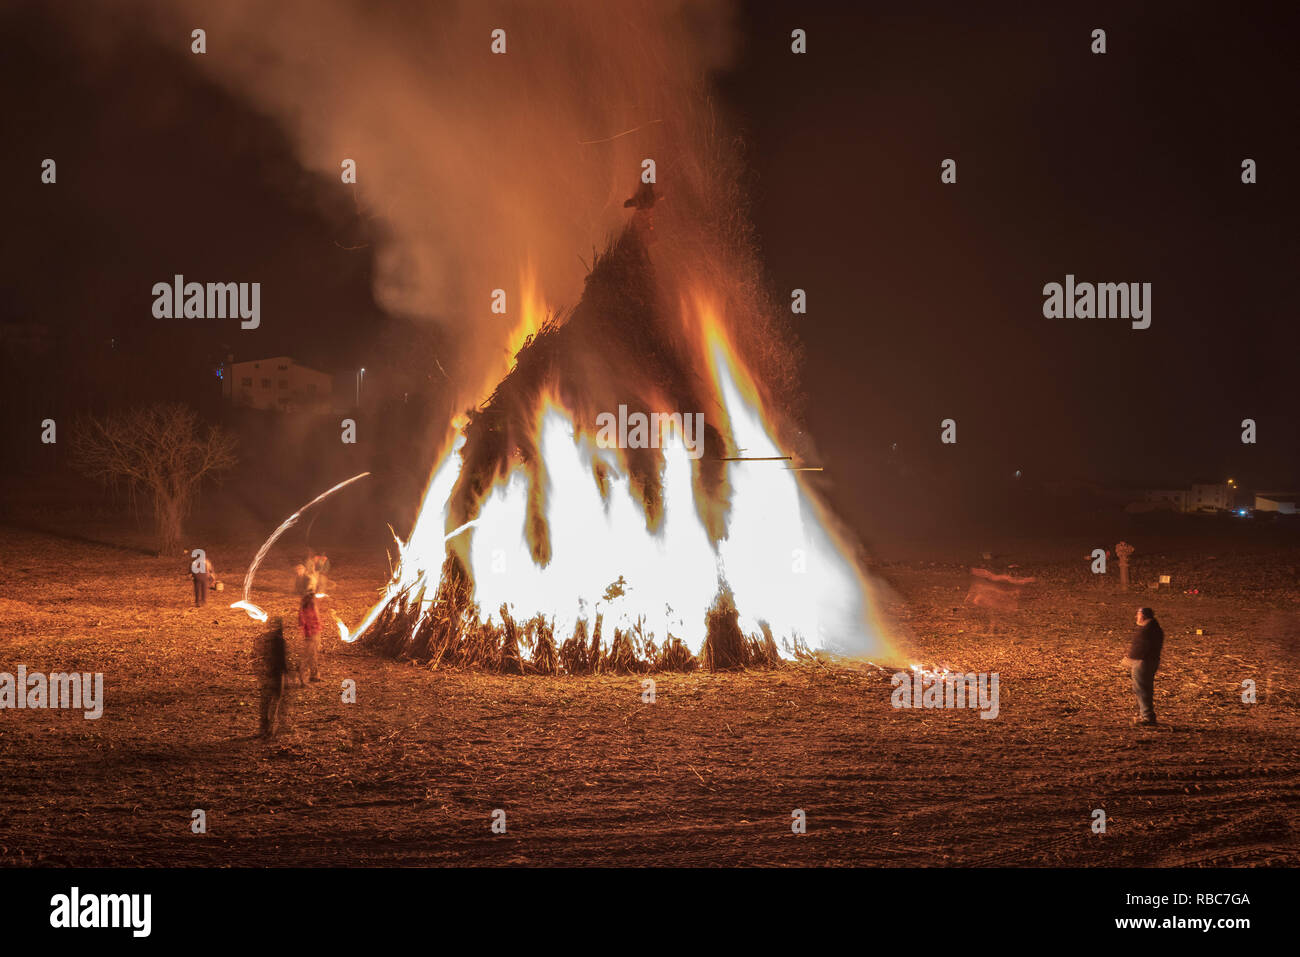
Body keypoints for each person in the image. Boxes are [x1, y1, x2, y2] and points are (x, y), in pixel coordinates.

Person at [1123, 606, 1165, 726]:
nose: (1136, 617)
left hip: (1143, 662)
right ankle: (1146, 715)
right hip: (1148, 661)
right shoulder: (1153, 627)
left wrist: (1130, 658)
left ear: (1143, 615)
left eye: (1138, 614)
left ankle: (1147, 716)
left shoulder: (1148, 629)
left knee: (1141, 689)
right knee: (1144, 688)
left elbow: (1141, 647)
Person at [258, 617, 290, 738]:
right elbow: (281, 659)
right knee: (275, 701)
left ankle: (264, 727)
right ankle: (270, 729)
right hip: (276, 675)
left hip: (266, 674)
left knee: (265, 702)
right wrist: (286, 673)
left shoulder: (264, 639)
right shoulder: (279, 641)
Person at [297, 592, 322, 684]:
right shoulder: (306, 609)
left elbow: (316, 620)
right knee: (308, 655)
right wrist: (308, 632)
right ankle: (304, 677)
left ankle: (313, 675)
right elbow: (302, 622)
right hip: (311, 635)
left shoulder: (311, 607)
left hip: (314, 633)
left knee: (312, 654)